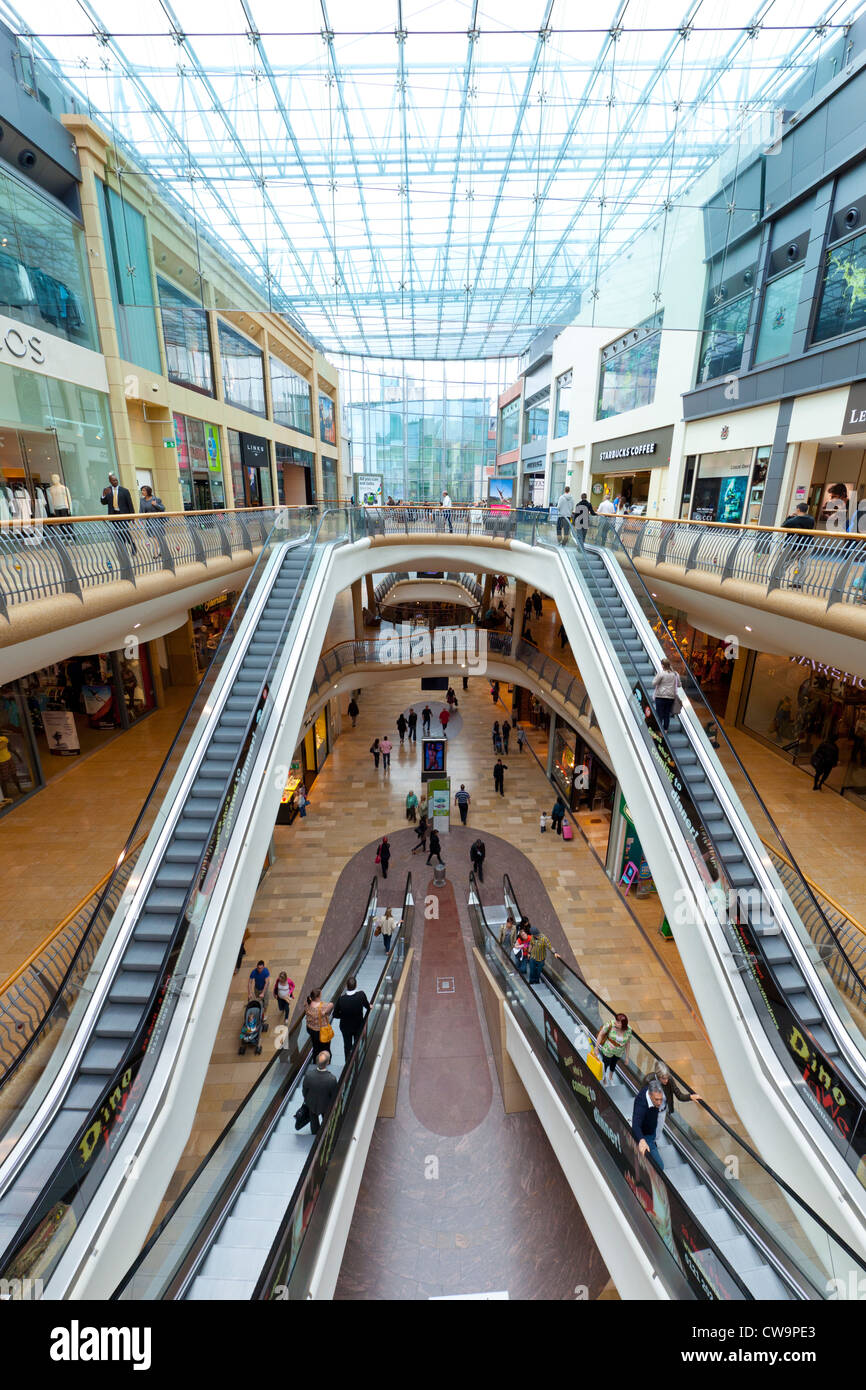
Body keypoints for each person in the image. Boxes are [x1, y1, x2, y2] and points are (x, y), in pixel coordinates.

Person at [644, 1062, 700, 1140]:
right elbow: (643, 1098)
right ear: (658, 1075)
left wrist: (690, 1097)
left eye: (667, 1077)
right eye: (664, 1078)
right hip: (651, 1111)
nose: (666, 1080)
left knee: (658, 1132)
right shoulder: (649, 1080)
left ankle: (653, 1142)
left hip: (662, 1112)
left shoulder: (669, 1080)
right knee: (648, 1129)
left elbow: (679, 1095)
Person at [333, 976, 371, 1060]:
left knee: (347, 1046)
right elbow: (367, 1006)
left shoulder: (341, 999)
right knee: (357, 1044)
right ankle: (356, 1060)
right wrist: (369, 1007)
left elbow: (335, 1015)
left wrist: (344, 1015)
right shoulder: (361, 995)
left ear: (346, 986)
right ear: (356, 985)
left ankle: (347, 1063)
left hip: (345, 1027)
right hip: (358, 1026)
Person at [632, 1079, 666, 1171]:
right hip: (646, 1136)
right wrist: (642, 1141)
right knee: (660, 1166)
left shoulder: (653, 1091)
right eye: (656, 1100)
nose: (659, 1103)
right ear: (650, 1095)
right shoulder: (641, 1103)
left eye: (661, 1099)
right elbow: (635, 1125)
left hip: (652, 1130)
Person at [302, 1052, 338, 1135]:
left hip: (311, 1103)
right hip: (325, 1105)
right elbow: (333, 1095)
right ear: (328, 1062)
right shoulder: (331, 1079)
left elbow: (304, 1090)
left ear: (317, 1061)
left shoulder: (308, 1075)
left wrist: (307, 1099)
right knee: (326, 1120)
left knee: (313, 1120)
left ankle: (315, 1133)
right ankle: (325, 1133)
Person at [780, 503, 816, 587]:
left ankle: (777, 576)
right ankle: (797, 582)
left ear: (798, 509)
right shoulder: (811, 519)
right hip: (808, 545)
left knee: (785, 561)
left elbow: (783, 525)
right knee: (802, 563)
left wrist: (789, 517)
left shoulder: (794, 520)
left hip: (795, 545)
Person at [595, 1012, 632, 1087]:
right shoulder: (610, 1025)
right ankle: (604, 1078)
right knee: (606, 1064)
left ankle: (610, 1077)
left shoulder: (628, 1030)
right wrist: (596, 1047)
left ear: (623, 1024)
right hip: (608, 1050)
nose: (615, 1023)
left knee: (613, 1064)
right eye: (616, 1021)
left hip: (619, 1052)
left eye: (618, 1022)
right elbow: (601, 1034)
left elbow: (627, 1043)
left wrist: (627, 1057)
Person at [304, 987, 334, 1061]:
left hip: (311, 1029)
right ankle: (325, 1061)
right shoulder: (323, 1006)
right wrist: (324, 1012)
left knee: (316, 1047)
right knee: (325, 1048)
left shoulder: (307, 1004)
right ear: (318, 996)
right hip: (321, 1031)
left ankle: (316, 1060)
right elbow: (331, 1004)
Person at [651, 658, 680, 733]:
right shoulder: (675, 674)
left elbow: (654, 683)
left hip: (660, 697)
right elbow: (679, 685)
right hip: (671, 697)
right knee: (667, 714)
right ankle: (665, 729)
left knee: (659, 714)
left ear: (663, 665)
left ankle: (659, 730)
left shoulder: (661, 674)